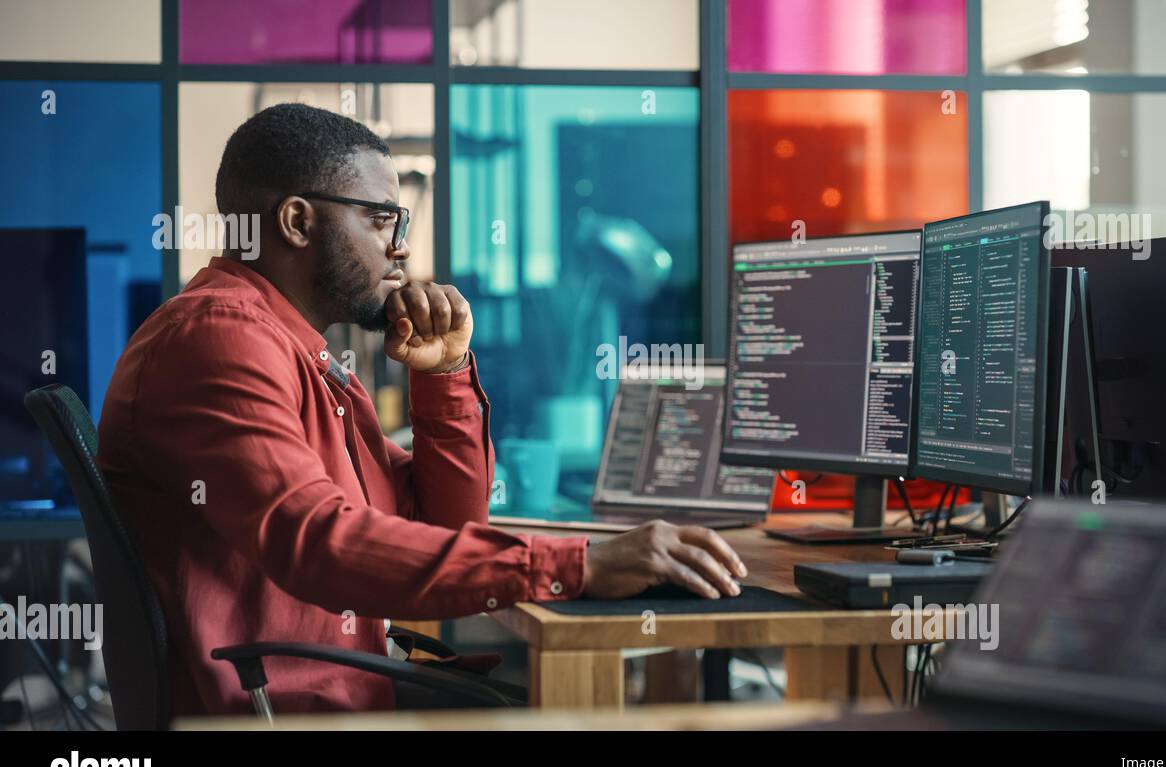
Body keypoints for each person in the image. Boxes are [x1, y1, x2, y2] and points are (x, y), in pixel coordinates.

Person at [97, 103, 746, 716]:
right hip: (287, 710)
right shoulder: (220, 338)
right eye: (382, 219)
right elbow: (318, 543)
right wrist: (577, 563)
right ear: (297, 221)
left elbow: (448, 520)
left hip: (339, 690)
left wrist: (444, 376)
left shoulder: (301, 352)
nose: (401, 247)